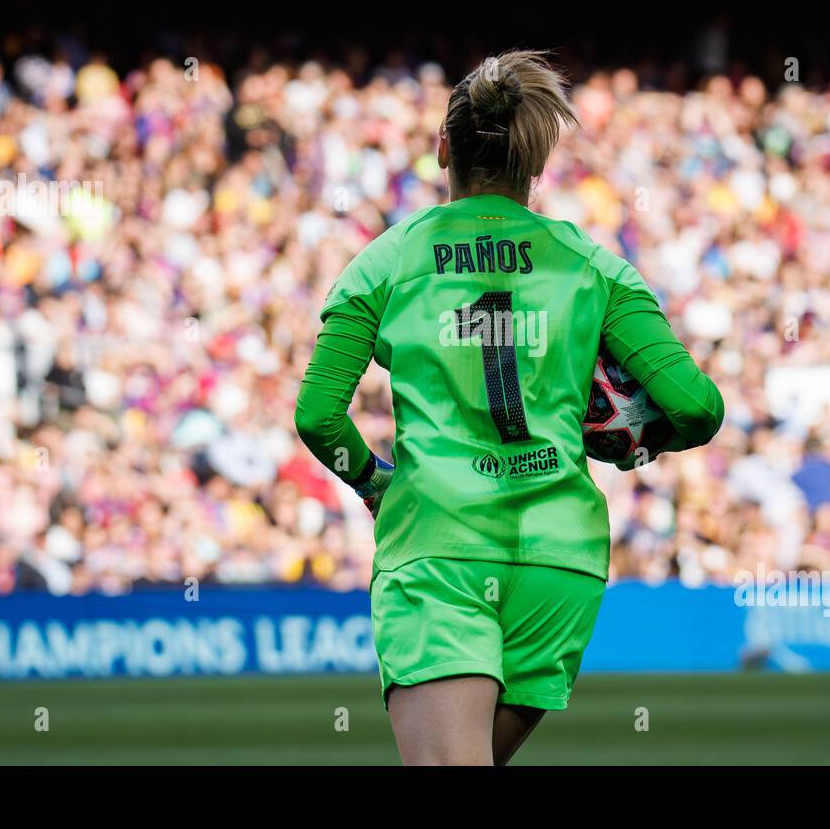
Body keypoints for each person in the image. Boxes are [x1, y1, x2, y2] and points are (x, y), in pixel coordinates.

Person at [303, 51, 730, 764]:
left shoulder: (386, 261)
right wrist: (630, 441)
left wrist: (376, 483)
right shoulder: (592, 263)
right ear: (536, 165)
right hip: (559, 564)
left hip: (440, 551)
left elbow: (319, 416)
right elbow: (698, 408)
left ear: (444, 148)